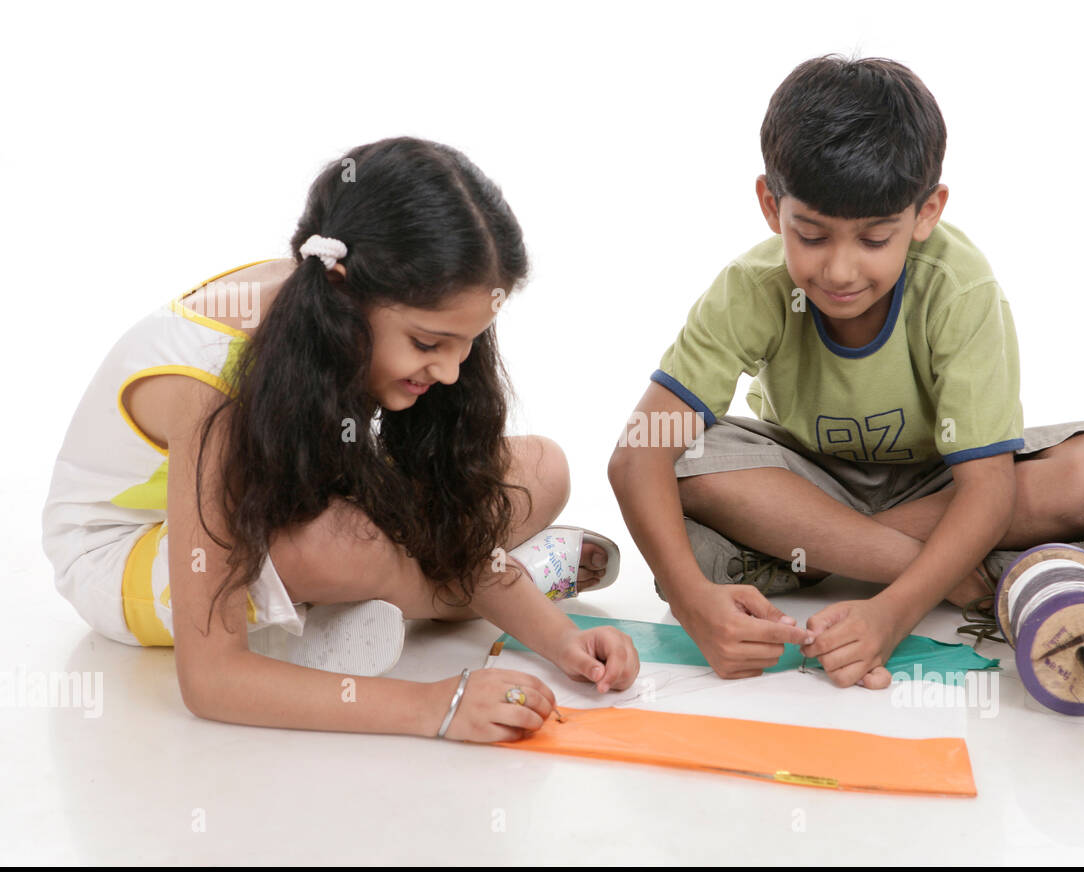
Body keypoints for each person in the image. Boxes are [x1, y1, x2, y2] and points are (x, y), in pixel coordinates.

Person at [42, 136, 639, 741]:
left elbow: (430, 505)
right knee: (340, 544)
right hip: (127, 553)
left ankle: (376, 597)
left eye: (469, 343)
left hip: (271, 512)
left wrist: (563, 642)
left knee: (543, 468)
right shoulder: (207, 387)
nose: (453, 372)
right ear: (347, 292)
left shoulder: (331, 314)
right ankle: (500, 580)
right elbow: (212, 680)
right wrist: (437, 705)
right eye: (430, 344)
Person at [608, 56, 1084, 689]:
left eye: (874, 240)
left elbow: (986, 489)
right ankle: (989, 576)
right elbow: (635, 457)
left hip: (939, 486)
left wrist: (893, 613)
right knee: (676, 454)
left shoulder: (958, 287)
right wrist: (690, 604)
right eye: (811, 235)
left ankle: (792, 556)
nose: (840, 272)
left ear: (926, 214)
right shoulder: (750, 288)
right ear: (770, 204)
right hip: (807, 478)